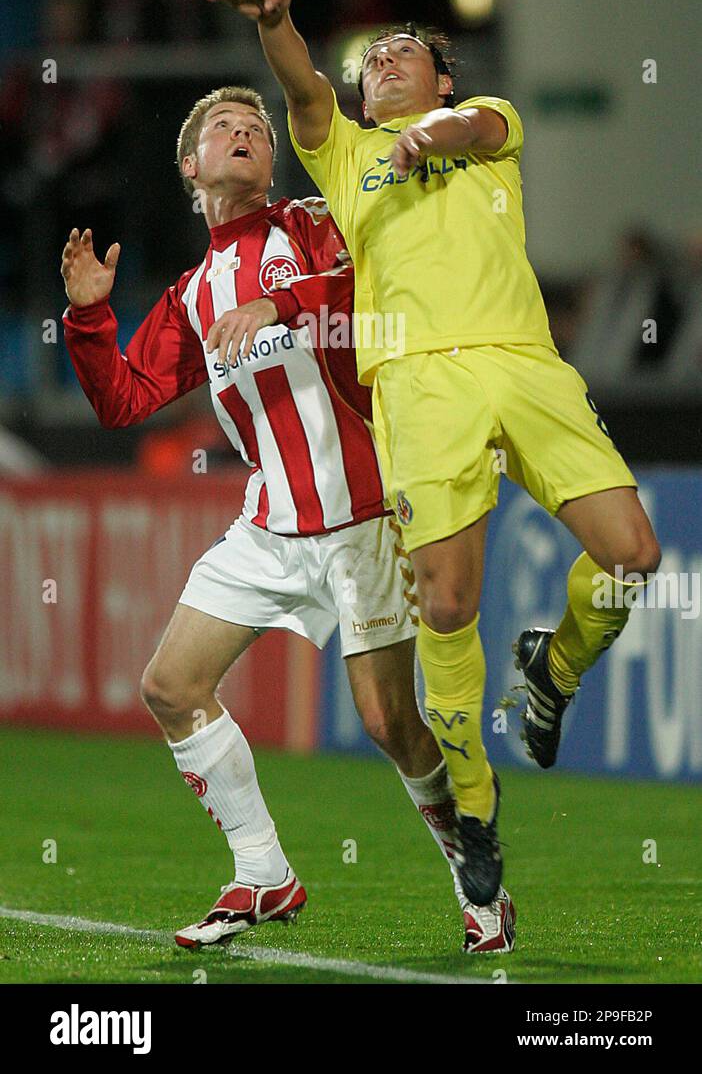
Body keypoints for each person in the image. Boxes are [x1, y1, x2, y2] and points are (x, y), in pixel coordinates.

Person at [207, 0, 662, 908]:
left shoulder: (486, 122)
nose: (379, 61)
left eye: (400, 50)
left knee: (633, 556)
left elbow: (478, 128)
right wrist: (281, 24)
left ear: (442, 80)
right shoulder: (345, 156)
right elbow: (300, 89)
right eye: (369, 58)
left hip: (526, 363)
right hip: (417, 385)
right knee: (448, 609)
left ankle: (556, 666)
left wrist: (431, 135)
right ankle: (476, 807)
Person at [61, 84, 516, 956]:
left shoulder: (311, 224)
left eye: (257, 128)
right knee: (170, 686)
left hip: (365, 514)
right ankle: (264, 872)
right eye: (222, 129)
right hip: (269, 525)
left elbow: (370, 281)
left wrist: (282, 302)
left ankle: (476, 876)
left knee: (389, 723)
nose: (245, 133)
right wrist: (89, 317)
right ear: (190, 166)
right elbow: (124, 401)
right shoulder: (192, 294)